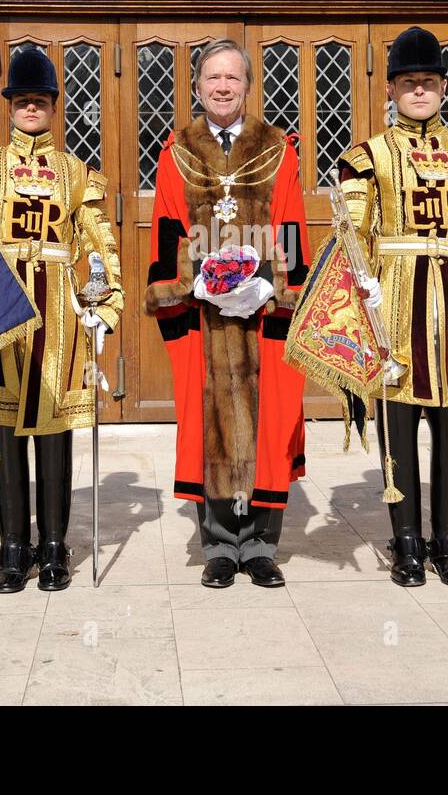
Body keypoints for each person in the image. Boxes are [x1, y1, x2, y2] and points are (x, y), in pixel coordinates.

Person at [337, 26, 448, 587]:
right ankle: (407, 540)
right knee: (399, 421)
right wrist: (359, 290)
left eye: (429, 82)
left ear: (444, 86)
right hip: (395, 298)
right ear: (390, 89)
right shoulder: (368, 156)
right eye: (409, 82)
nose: (420, 91)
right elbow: (350, 233)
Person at [0, 47, 123, 592]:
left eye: (39, 100)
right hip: (2, 311)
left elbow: (100, 243)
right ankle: (10, 547)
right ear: (9, 107)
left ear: (53, 106)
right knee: (4, 430)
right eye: (21, 100)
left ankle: (53, 545)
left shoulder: (76, 173)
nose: (30, 107)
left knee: (54, 429)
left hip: (60, 314)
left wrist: (107, 300)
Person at [144, 38, 310, 589]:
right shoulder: (178, 153)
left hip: (262, 311)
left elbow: (289, 227)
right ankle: (218, 546)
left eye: (232, 79)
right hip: (204, 312)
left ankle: (261, 546)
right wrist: (192, 282)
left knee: (272, 420)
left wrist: (270, 288)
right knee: (205, 419)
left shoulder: (277, 150)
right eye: (213, 78)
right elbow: (168, 228)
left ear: (247, 86)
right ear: (197, 87)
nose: (222, 87)